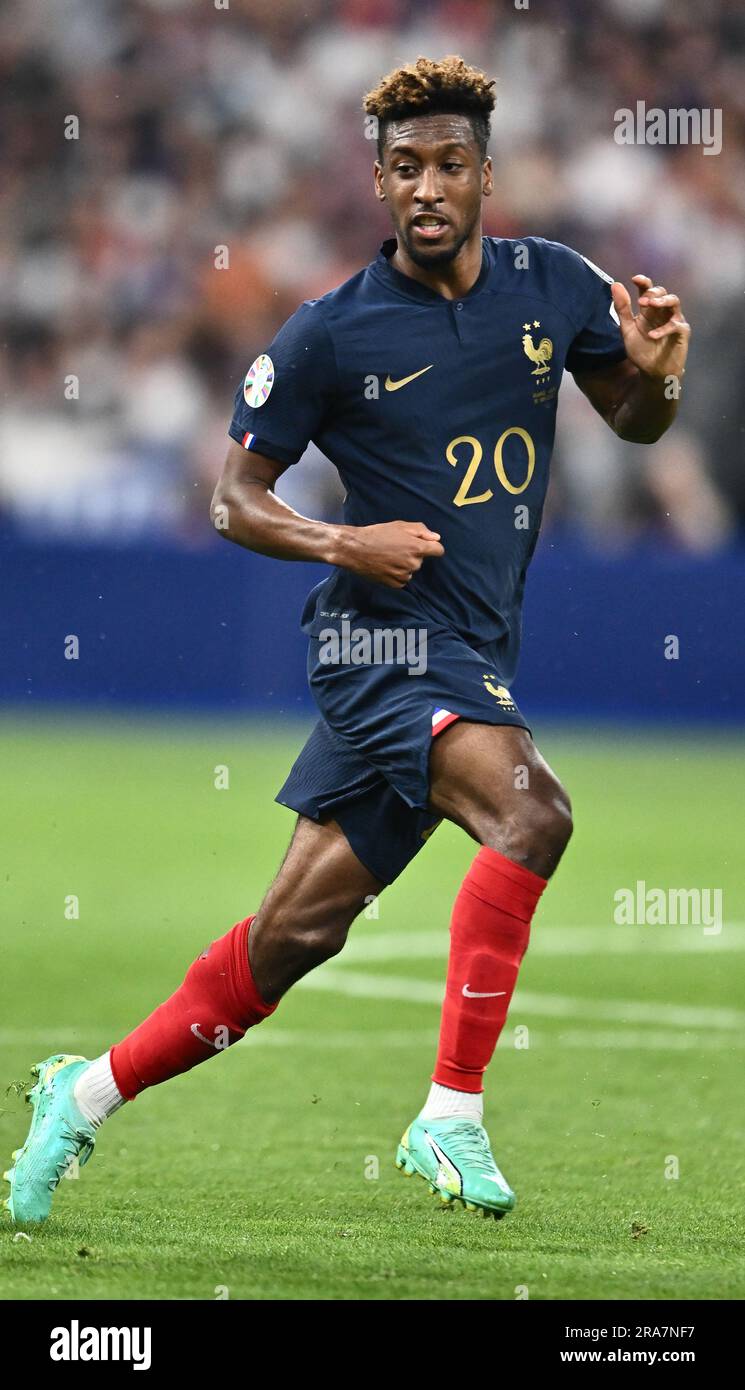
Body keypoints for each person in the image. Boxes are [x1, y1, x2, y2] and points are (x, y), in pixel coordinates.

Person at [5, 56, 690, 1224]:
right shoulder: (330, 333)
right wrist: (342, 543)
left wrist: (657, 382)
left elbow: (628, 416)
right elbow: (233, 497)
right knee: (535, 811)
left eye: (450, 165)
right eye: (405, 167)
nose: (428, 186)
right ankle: (451, 1113)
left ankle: (82, 1092)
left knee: (289, 941)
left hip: (470, 646)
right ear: (377, 183)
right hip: (378, 647)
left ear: (487, 173)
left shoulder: (554, 287)